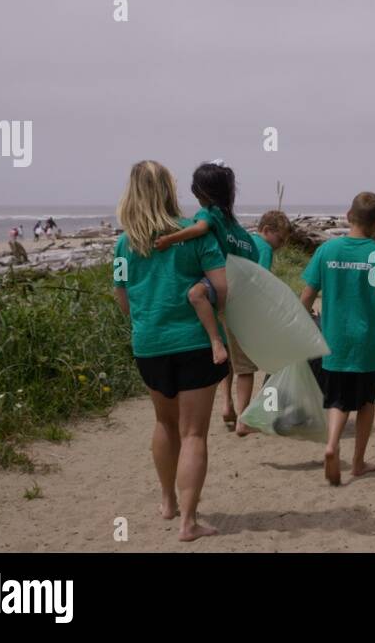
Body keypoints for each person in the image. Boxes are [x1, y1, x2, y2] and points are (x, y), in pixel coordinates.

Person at [113, 160, 228, 542]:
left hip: (150, 345)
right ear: (169, 190)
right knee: (194, 433)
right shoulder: (194, 234)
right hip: (194, 343)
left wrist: (148, 319)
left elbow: (123, 298)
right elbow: (221, 289)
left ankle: (167, 502)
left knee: (164, 424)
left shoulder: (124, 242)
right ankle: (188, 522)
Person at [299, 192, 375, 486]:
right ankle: (358, 463)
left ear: (349, 216)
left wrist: (300, 325)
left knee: (337, 399)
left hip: (332, 340)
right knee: (365, 402)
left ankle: (332, 445)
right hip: (366, 342)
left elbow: (307, 296)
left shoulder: (327, 251)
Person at [154, 160, 261, 428]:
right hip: (245, 300)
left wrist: (169, 239)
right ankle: (242, 417)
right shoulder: (241, 233)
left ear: (201, 192)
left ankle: (226, 399)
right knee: (243, 363)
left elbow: (199, 230)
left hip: (221, 291)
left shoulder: (208, 214)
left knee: (196, 295)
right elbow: (255, 264)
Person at [234, 210, 293, 437]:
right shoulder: (265, 248)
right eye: (280, 239)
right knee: (261, 367)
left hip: (231, 309)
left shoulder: (246, 242)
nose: (280, 245)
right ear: (267, 230)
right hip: (251, 314)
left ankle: (227, 407)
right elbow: (262, 281)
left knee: (234, 365)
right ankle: (246, 418)